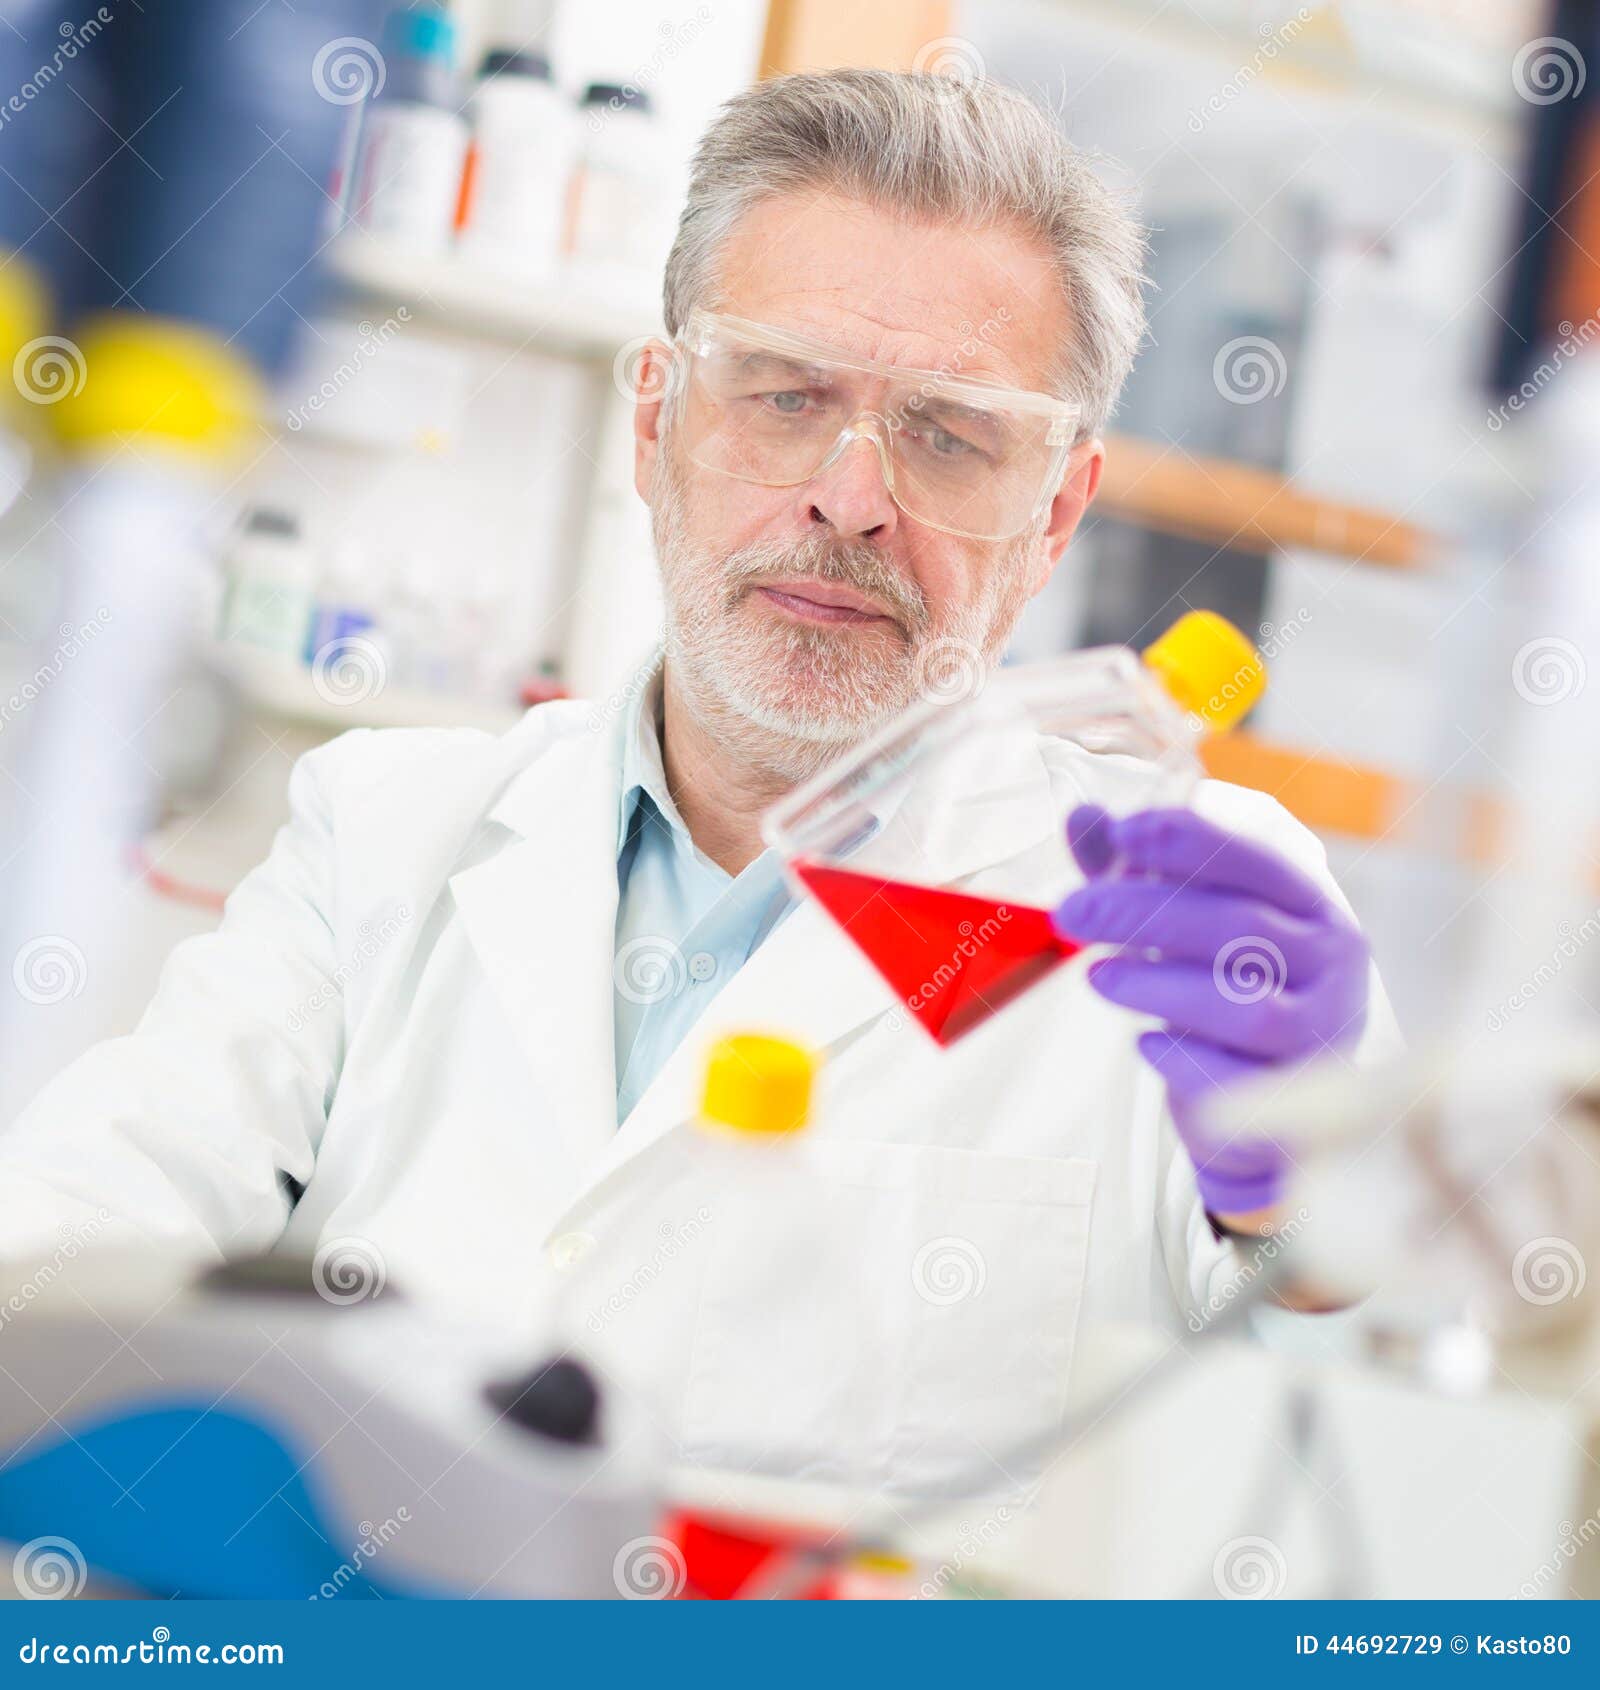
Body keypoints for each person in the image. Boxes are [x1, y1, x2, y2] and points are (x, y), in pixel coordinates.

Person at [0, 70, 1399, 1497]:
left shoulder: (1191, 906)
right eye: (786, 395)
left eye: (950, 433)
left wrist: (1295, 1194)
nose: (851, 498)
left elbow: (1367, 1426)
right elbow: (71, 1247)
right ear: (655, 419)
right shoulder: (380, 830)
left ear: (1056, 513)